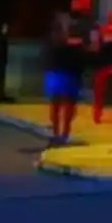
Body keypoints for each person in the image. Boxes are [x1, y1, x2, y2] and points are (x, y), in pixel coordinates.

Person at [44, 11, 87, 145]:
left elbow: (48, 57)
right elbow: (81, 59)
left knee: (57, 104)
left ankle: (58, 133)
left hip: (58, 73)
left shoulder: (54, 41)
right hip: (67, 74)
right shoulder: (74, 43)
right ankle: (63, 134)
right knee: (66, 105)